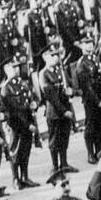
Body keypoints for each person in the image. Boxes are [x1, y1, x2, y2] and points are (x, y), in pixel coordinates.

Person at [0, 58, 39, 190]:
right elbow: (14, 110)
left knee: (26, 151)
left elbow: (31, 100)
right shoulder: (6, 88)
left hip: (27, 122)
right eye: (12, 67)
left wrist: (35, 105)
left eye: (16, 67)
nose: (16, 69)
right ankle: (16, 179)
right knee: (15, 153)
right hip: (16, 125)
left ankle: (25, 176)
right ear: (6, 70)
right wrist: (28, 124)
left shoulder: (23, 83)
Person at [74, 33, 101, 163]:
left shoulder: (96, 59)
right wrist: (98, 101)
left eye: (91, 43)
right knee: (91, 127)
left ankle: (99, 151)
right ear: (82, 46)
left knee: (100, 125)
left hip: (100, 96)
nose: (89, 46)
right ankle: (90, 153)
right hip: (91, 100)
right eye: (86, 44)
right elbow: (86, 87)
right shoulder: (82, 64)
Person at [39, 45, 76, 175]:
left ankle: (64, 163)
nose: (56, 58)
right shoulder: (44, 73)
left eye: (57, 55)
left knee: (64, 137)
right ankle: (55, 166)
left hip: (65, 108)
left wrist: (72, 91)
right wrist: (63, 110)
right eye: (52, 55)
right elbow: (50, 96)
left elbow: (70, 84)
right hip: (54, 112)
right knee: (54, 140)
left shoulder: (61, 70)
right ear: (45, 57)